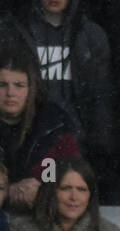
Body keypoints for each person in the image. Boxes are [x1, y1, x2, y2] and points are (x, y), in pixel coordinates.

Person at [2, 0, 114, 174]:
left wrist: (101, 150)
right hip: (26, 142)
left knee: (62, 193)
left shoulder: (91, 35)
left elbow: (101, 100)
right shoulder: (14, 31)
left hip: (77, 143)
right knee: (34, 189)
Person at [0, 38, 80, 212]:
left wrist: (43, 188)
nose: (10, 93)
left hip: (41, 221)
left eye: (19, 85)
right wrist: (6, 192)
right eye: (2, 85)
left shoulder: (54, 125)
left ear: (32, 87)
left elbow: (71, 178)